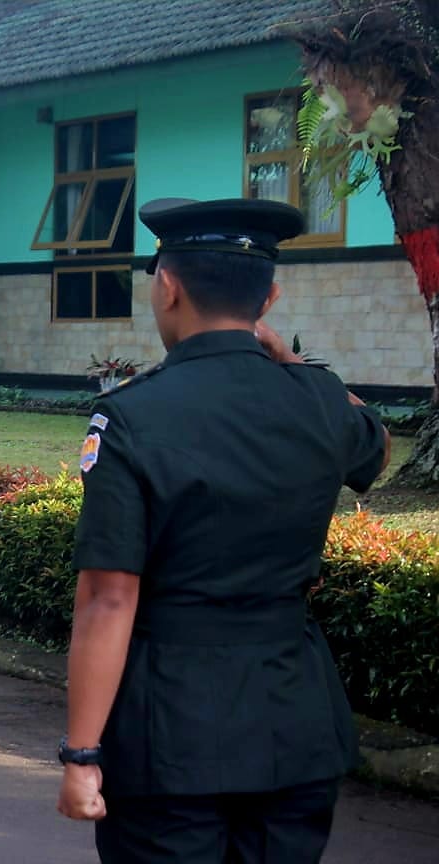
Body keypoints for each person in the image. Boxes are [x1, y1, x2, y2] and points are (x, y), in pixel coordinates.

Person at [56, 198, 390, 863]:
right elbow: (373, 451)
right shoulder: (320, 401)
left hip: (171, 736)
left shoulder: (131, 416)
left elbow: (109, 597)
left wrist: (82, 754)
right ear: (269, 299)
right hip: (295, 728)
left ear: (167, 286)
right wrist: (296, 368)